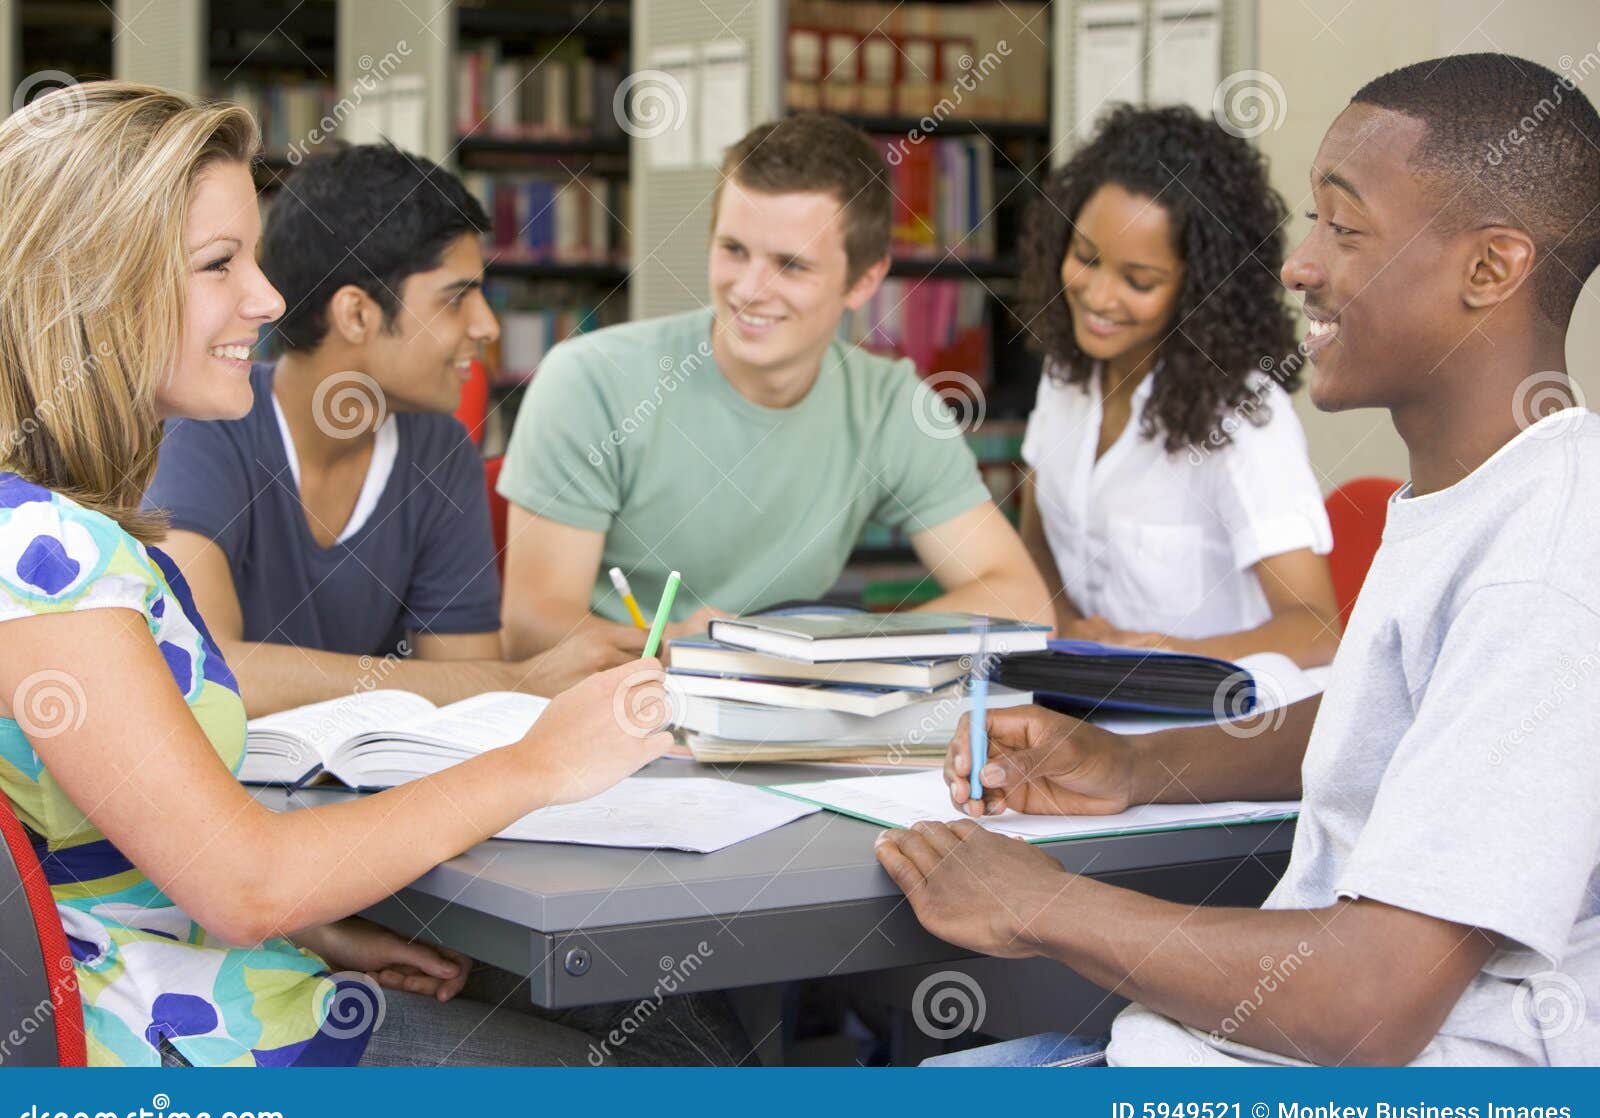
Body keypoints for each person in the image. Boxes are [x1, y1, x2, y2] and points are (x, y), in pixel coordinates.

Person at [876, 53, 1600, 1067]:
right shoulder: (1468, 495)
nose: (1301, 264)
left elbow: (1364, 1006)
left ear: (1490, 269)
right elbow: (1383, 721)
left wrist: (1038, 902)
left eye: (1344, 230)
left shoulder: (1546, 563)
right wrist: (1130, 763)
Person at [0, 82, 707, 1067]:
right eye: (219, 264)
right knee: (673, 1057)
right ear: (92, 287)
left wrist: (314, 927)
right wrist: (543, 758)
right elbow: (245, 882)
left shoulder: (47, 530)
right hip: (187, 1058)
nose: (267, 296)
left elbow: (74, 845)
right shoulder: (51, 558)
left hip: (184, 984)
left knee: (673, 1028)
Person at [496, 113, 1051, 658]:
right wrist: (681, 651)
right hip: (614, 704)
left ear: (864, 281)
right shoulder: (592, 380)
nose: (750, 289)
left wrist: (807, 646)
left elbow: (1021, 603)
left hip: (785, 707)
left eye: (791, 265)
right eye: (734, 250)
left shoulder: (887, 405)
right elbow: (532, 625)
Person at [146, 144, 642, 717]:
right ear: (356, 314)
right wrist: (517, 681)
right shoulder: (205, 427)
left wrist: (498, 684)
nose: (486, 325)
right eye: (456, 299)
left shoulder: (441, 450)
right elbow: (210, 671)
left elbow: (469, 698)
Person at [1017, 104, 1339, 666]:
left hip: (1202, 728)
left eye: (1138, 281)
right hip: (1074, 706)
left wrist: (1172, 656)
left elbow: (1315, 629)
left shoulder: (1241, 415)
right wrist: (1063, 622)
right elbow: (1035, 541)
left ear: (1199, 291)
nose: (1097, 297)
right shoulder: (1066, 373)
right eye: (1085, 258)